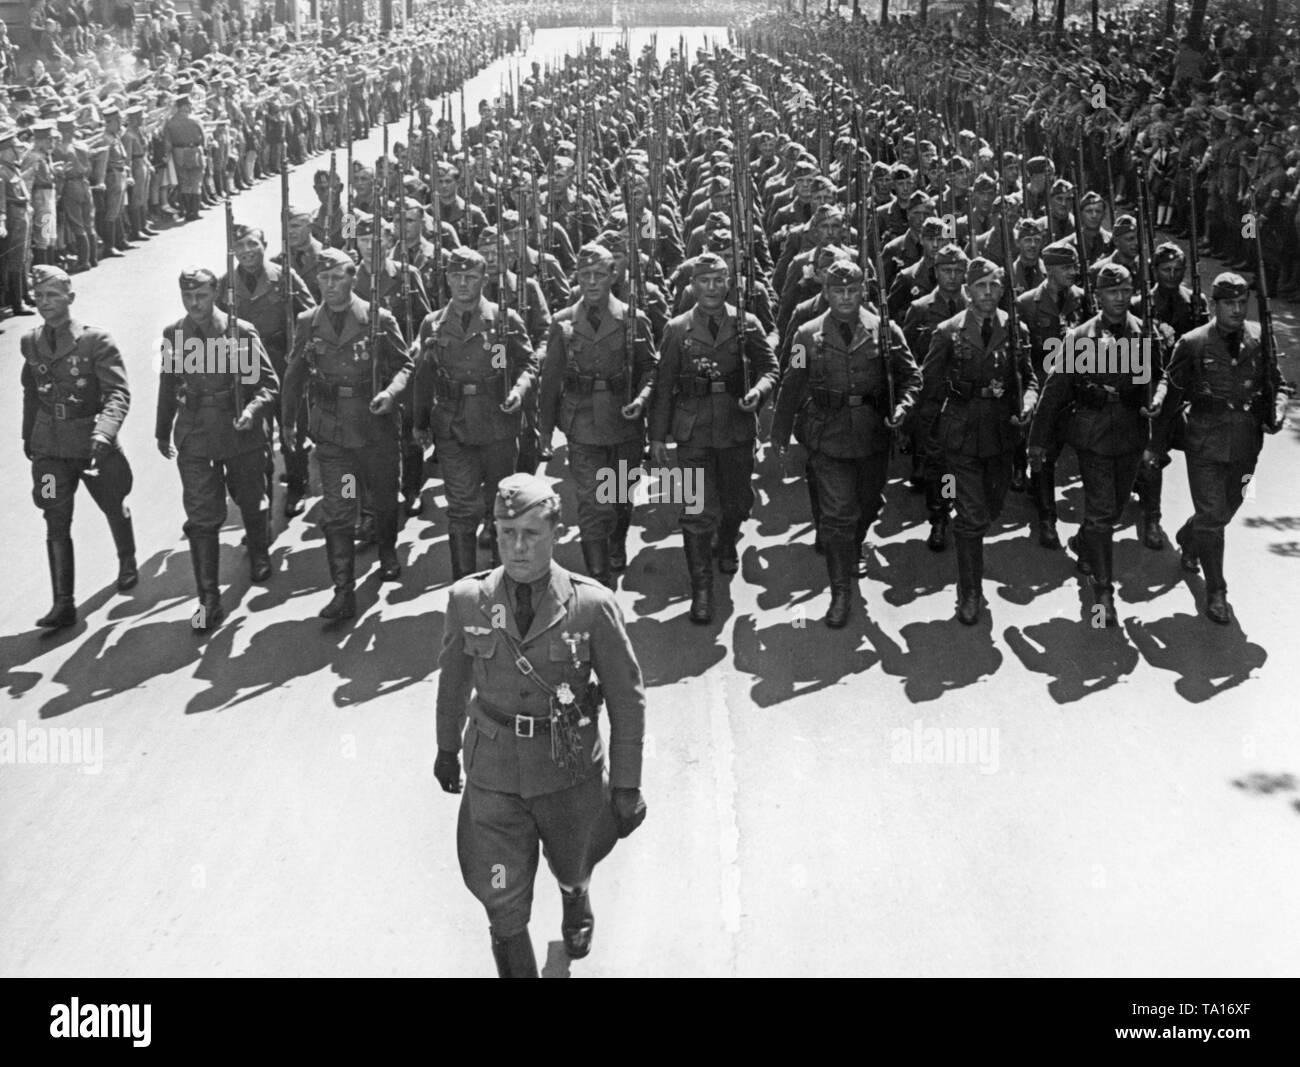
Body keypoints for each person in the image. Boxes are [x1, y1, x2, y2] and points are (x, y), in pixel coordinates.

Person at [434, 472, 647, 978]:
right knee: (501, 900)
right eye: (506, 534)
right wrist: (445, 748)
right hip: (494, 775)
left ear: (557, 534)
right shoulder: (468, 601)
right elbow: (452, 682)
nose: (517, 547)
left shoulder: (591, 605)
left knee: (572, 861)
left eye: (531, 533)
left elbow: (627, 698)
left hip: (566, 771)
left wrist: (626, 783)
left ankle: (575, 898)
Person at [772, 259, 919, 627]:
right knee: (838, 515)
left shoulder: (885, 330)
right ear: (826, 293)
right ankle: (840, 592)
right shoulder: (806, 334)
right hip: (827, 434)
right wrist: (779, 435)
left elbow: (911, 377)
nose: (845, 298)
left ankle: (855, 547)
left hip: (873, 433)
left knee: (868, 505)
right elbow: (792, 384)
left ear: (862, 292)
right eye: (838, 291)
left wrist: (902, 407)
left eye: (852, 290)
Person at [1145, 272, 1293, 624]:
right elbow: (1172, 398)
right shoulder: (1193, 343)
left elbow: (1280, 385)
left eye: (1243, 303)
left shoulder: (1260, 336)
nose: (1238, 310)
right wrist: (1154, 446)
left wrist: (1279, 409)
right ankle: (1216, 591)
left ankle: (1188, 536)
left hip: (1246, 446)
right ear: (1215, 305)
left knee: (1230, 507)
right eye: (1230, 304)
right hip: (1205, 443)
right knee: (1212, 516)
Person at [1028, 263, 1171, 628]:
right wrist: (1038, 443)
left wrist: (1156, 400)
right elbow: (1055, 389)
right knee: (1102, 509)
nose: (1120, 299)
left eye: (1125, 291)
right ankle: (1103, 594)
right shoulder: (1079, 338)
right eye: (1112, 292)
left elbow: (1156, 378)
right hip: (1091, 434)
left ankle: (1084, 541)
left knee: (1114, 508)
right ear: (1098, 297)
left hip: (1130, 430)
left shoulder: (1141, 332)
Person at [281, 247, 413, 620]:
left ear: (353, 278)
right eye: (323, 278)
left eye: (337, 277)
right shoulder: (309, 322)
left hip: (375, 428)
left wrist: (391, 393)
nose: (329, 284)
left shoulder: (377, 319)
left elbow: (405, 365)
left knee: (385, 496)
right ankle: (344, 591)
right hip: (333, 432)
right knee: (339, 509)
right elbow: (294, 374)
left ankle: (387, 550)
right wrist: (287, 422)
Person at [648, 252, 779, 624]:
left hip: (736, 426)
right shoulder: (677, 329)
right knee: (695, 511)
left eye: (718, 281)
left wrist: (759, 391)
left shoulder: (747, 324)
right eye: (703, 281)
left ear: (729, 284)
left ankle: (728, 540)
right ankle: (701, 590)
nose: (711, 288)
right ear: (692, 286)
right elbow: (664, 385)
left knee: (737, 501)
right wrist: (657, 437)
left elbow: (772, 367)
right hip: (693, 431)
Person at [155, 267, 278, 632]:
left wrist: (253, 411)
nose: (194, 303)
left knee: (250, 499)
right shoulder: (174, 335)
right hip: (194, 434)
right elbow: (167, 385)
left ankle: (258, 551)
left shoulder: (239, 332)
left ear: (216, 295)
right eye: (187, 296)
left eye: (202, 296)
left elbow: (268, 385)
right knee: (201, 516)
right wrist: (162, 432)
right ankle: (208, 599)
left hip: (238, 432)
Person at [920, 257, 1038, 625]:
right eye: (980, 287)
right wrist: (928, 437)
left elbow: (1030, 378)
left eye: (994, 286)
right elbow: (930, 386)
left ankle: (967, 538)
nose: (988, 293)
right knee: (971, 517)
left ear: (1003, 290)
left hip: (1002, 433)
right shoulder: (948, 332)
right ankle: (969, 591)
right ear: (968, 292)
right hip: (962, 430)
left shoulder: (1016, 329)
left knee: (992, 508)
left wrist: (1030, 403)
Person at [21, 265, 137, 629]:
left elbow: (117, 393)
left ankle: (128, 558)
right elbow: (30, 391)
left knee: (112, 502)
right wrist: (29, 436)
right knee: (54, 513)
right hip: (49, 448)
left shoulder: (95, 341)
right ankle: (63, 604)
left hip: (91, 446)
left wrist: (104, 434)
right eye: (39, 297)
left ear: (70, 298)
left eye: (53, 296)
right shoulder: (30, 341)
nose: (45, 303)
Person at [412, 247, 537, 579]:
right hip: (452, 425)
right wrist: (420, 422)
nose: (462, 284)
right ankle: (464, 585)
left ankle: (502, 578)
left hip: (497, 421)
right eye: (455, 276)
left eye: (470, 277)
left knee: (500, 504)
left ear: (484, 279)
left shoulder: (503, 319)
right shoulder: (432, 323)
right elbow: (423, 377)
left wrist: (518, 391)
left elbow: (528, 365)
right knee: (462, 508)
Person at [537, 243, 656, 586]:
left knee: (619, 496)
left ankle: (616, 542)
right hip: (582, 421)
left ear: (613, 276)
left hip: (624, 421)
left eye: (599, 275)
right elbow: (551, 379)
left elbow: (651, 369)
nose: (591, 282)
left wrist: (643, 398)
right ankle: (599, 579)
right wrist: (545, 430)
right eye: (584, 275)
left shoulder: (634, 319)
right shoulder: (562, 322)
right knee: (592, 501)